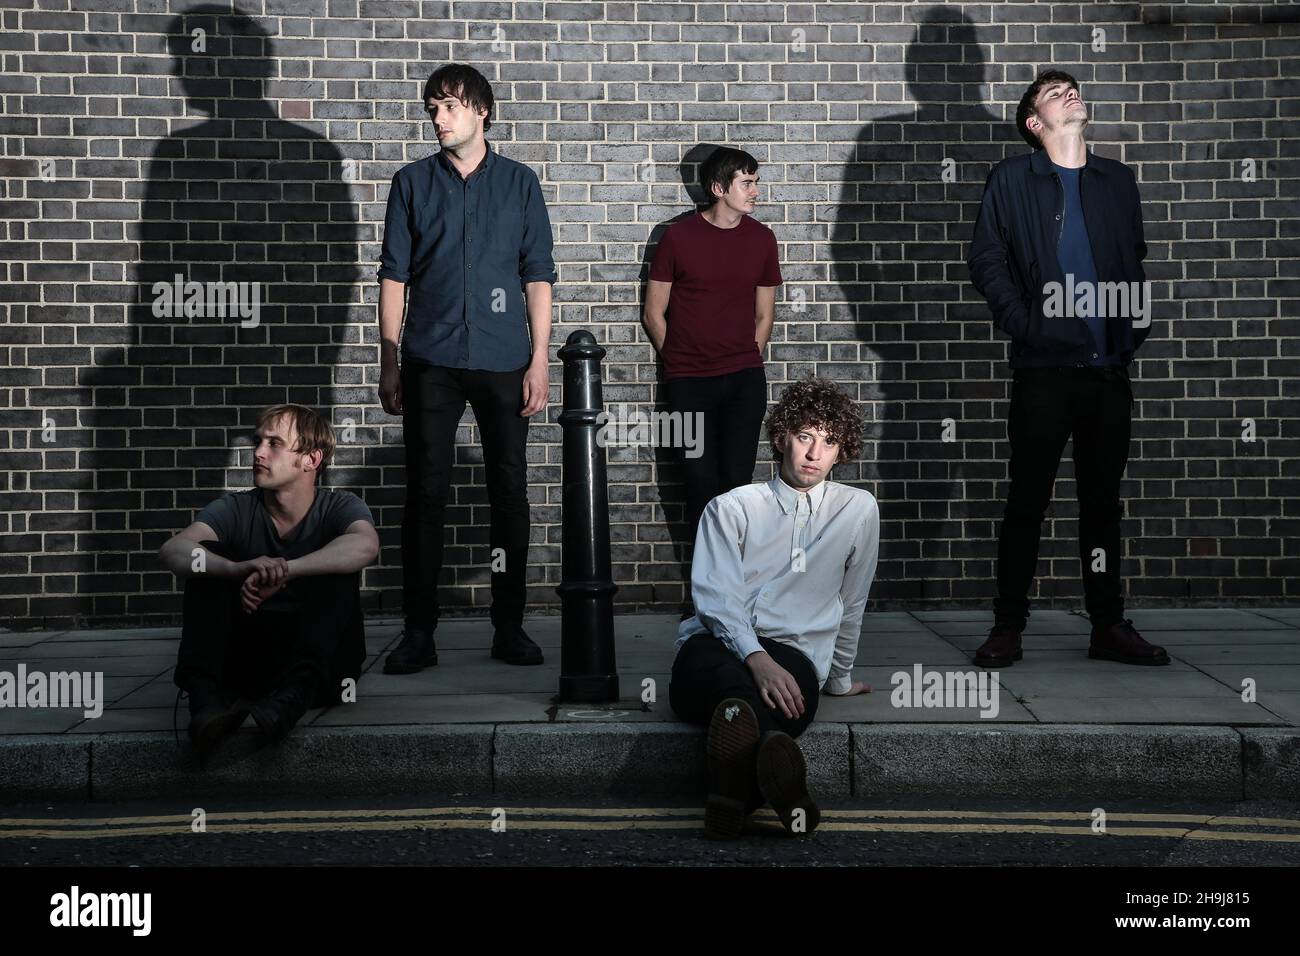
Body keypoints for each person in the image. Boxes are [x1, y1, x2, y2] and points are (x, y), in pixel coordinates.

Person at [968, 69, 1167, 669]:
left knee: (1102, 504)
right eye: (1054, 94)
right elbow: (987, 258)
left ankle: (1108, 625)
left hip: (1108, 370)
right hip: (1045, 369)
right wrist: (1025, 323)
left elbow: (1133, 256)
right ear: (1035, 123)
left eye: (1071, 89)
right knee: (1027, 500)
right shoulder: (1012, 178)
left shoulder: (1117, 179)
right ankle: (1007, 626)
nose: (1069, 94)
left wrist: (1134, 326)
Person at [377, 63, 557, 673]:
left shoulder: (520, 183)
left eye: (450, 106)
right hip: (430, 358)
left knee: (508, 490)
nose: (438, 118)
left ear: (482, 111)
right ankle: (418, 633)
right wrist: (389, 358)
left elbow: (537, 274)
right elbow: (394, 276)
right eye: (432, 109)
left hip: (505, 359)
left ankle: (509, 626)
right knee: (425, 492)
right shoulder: (411, 183)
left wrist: (539, 359)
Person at [670, 378, 880, 839]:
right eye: (805, 436)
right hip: (714, 645)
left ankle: (733, 794)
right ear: (783, 437)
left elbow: (853, 602)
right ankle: (770, 779)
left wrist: (839, 678)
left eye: (829, 442)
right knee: (730, 683)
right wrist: (756, 658)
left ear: (841, 452)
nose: (814, 453)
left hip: (794, 653)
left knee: (773, 696)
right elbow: (716, 600)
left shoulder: (858, 509)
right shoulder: (732, 507)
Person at [159, 405, 379, 751]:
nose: (259, 453)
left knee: (339, 563)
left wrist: (287, 570)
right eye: (258, 441)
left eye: (274, 444)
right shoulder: (237, 508)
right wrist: (236, 569)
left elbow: (366, 545)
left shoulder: (339, 507)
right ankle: (206, 706)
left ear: (311, 459)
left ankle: (289, 703)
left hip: (322, 672)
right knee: (205, 558)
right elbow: (173, 550)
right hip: (250, 667)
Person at [643, 146, 782, 618]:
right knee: (698, 485)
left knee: (737, 487)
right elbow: (654, 312)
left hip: (744, 382)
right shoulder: (677, 237)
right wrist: (682, 363)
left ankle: (735, 597)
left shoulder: (762, 239)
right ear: (719, 188)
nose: (756, 191)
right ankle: (704, 595)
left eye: (756, 181)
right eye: (747, 183)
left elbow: (765, 315)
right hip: (688, 383)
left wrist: (745, 358)